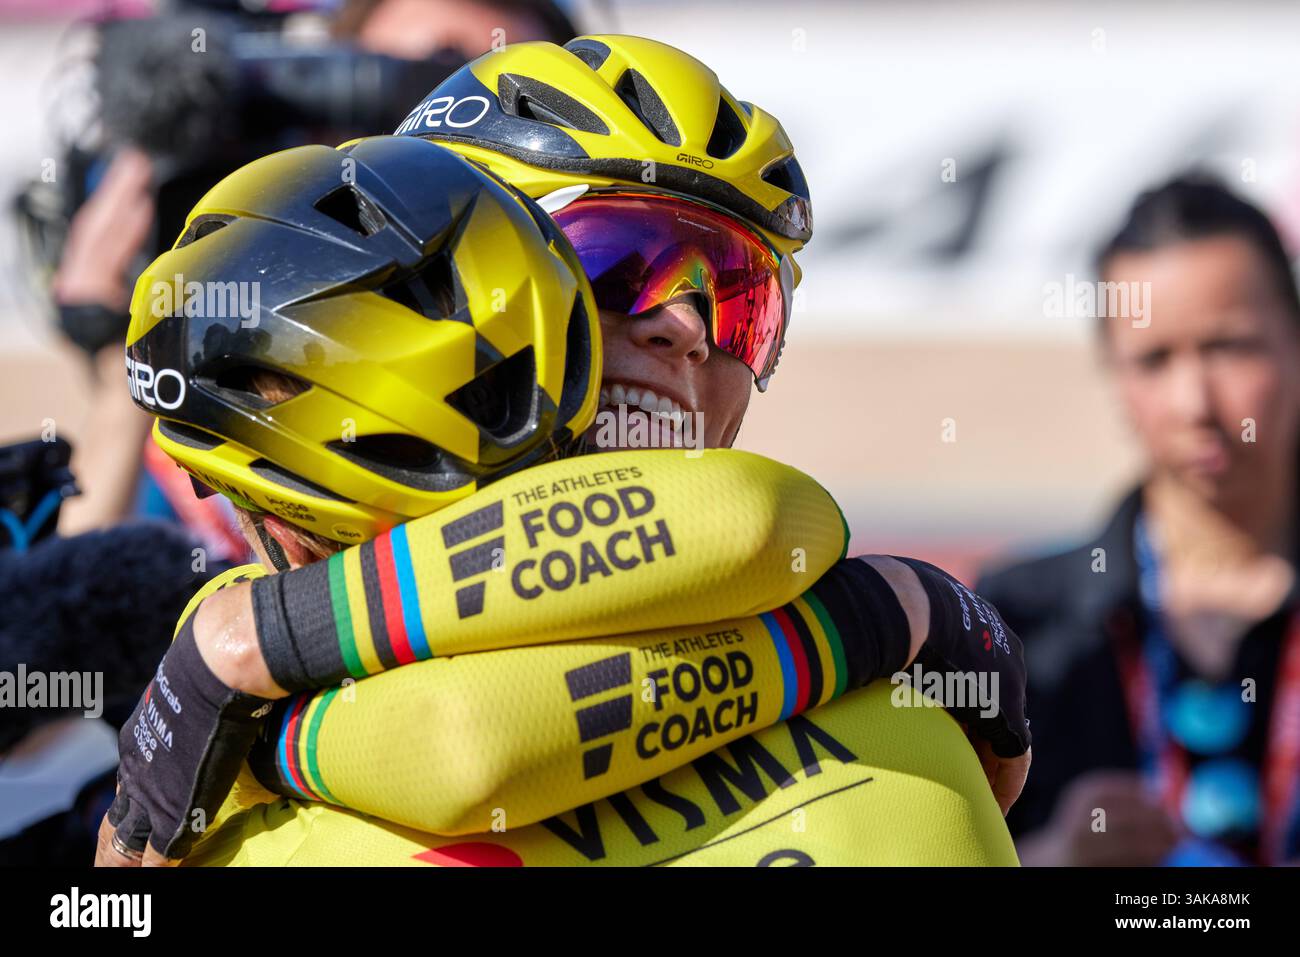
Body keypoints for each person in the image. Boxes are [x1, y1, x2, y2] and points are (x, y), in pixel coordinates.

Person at [98, 39, 1029, 866]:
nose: (686, 327)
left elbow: (744, 526)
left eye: (741, 297)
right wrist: (881, 616)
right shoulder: (906, 714)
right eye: (620, 262)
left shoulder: (224, 702)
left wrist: (261, 663)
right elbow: (467, 745)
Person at [978, 175, 1300, 866]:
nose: (1196, 402)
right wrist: (1054, 856)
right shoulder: (1010, 623)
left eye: (1230, 347)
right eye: (1155, 360)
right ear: (1114, 376)